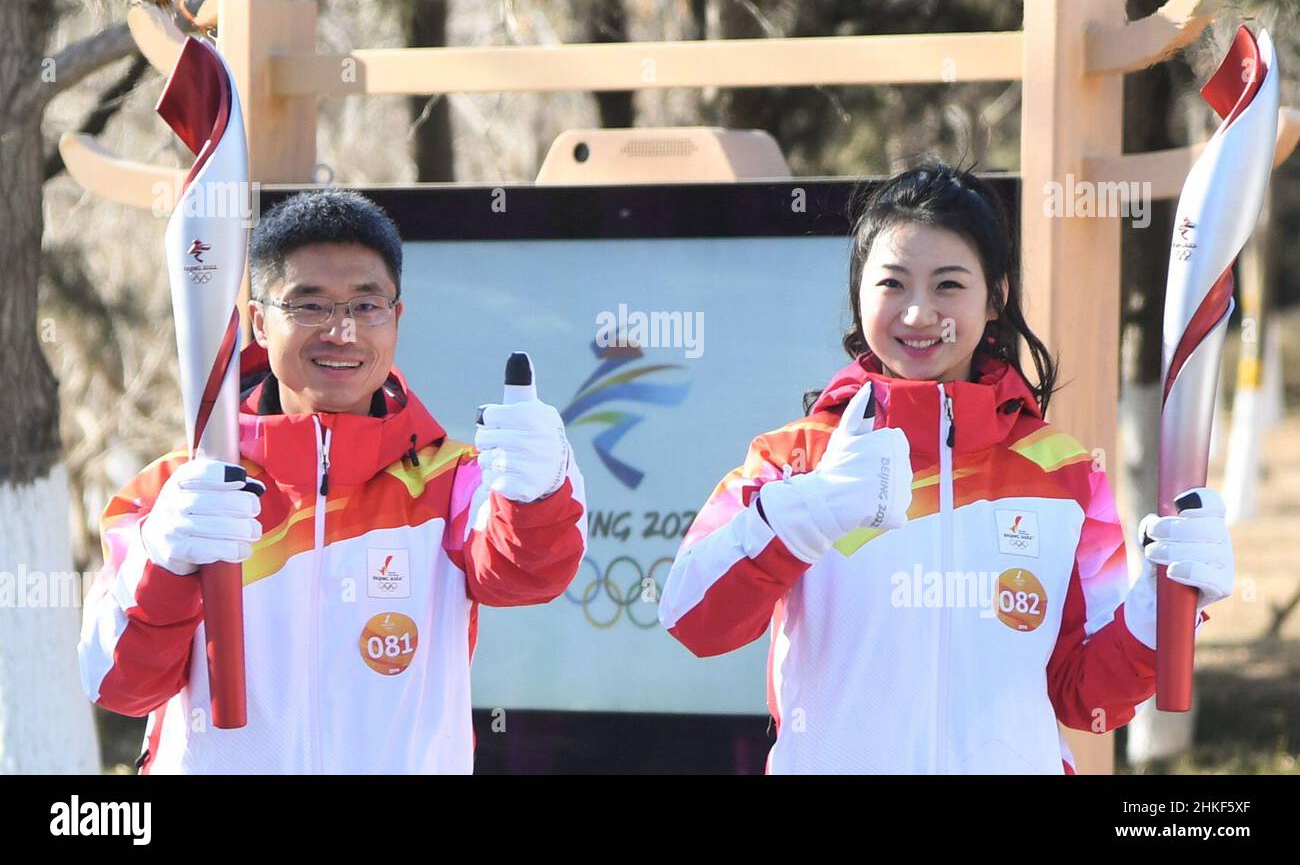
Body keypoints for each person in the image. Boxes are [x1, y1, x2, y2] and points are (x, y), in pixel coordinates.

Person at [658, 162, 1234, 774]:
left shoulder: (1062, 472)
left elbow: (1088, 696)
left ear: (996, 298)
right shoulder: (793, 459)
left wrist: (1159, 608)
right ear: (860, 294)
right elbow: (694, 619)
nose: (918, 314)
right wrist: (810, 511)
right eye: (893, 284)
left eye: (949, 285)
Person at [78, 190, 587, 773]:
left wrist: (542, 489)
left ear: (396, 319)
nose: (342, 332)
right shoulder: (179, 493)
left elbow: (528, 575)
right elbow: (119, 685)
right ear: (259, 322)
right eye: (310, 306)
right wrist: (162, 563)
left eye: (366, 306)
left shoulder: (453, 481)